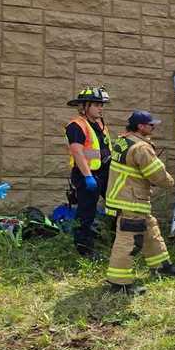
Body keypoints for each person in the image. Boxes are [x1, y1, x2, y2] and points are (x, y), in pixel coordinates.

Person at [104, 111, 175, 294]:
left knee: (150, 229)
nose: (153, 127)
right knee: (128, 240)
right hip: (131, 201)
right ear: (140, 127)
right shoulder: (141, 148)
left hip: (123, 197)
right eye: (150, 125)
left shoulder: (123, 141)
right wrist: (170, 182)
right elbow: (156, 174)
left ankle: (162, 266)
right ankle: (119, 283)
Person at [64, 86, 113, 257]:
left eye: (102, 105)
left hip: (105, 173)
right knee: (86, 214)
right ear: (84, 106)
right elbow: (78, 152)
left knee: (117, 206)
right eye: (97, 104)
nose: (101, 108)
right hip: (87, 175)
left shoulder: (99, 124)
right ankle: (85, 250)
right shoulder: (76, 126)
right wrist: (88, 177)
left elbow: (97, 150)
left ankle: (118, 242)